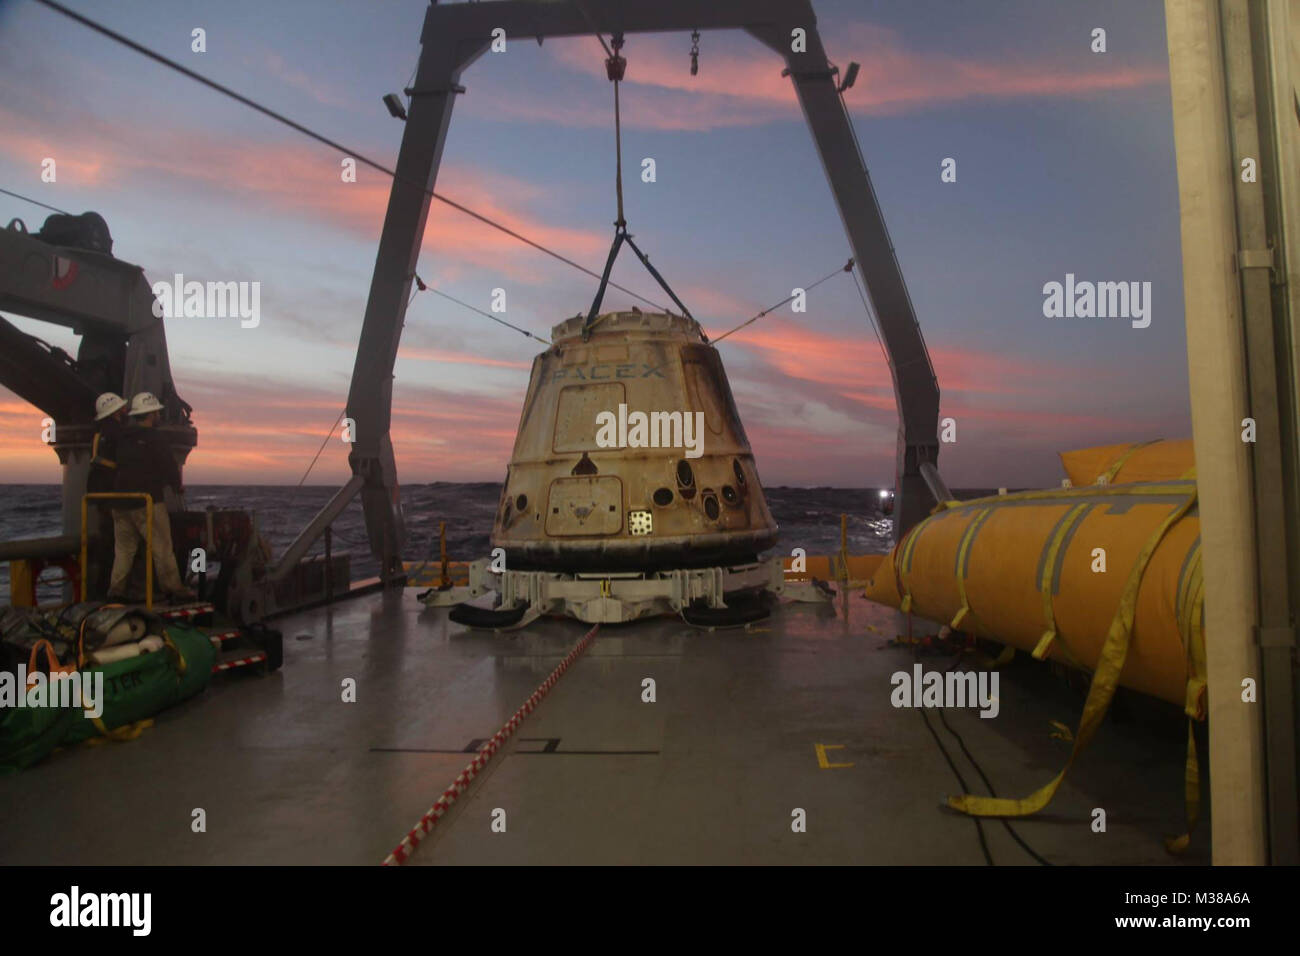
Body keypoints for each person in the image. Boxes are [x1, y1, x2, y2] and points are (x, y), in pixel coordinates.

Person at [107, 392, 196, 603]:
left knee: (124, 550)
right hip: (146, 502)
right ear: (151, 414)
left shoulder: (121, 438)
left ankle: (116, 591)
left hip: (119, 502)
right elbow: (168, 466)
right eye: (156, 411)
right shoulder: (155, 438)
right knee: (162, 547)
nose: (158, 415)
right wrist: (177, 486)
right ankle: (174, 588)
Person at [88, 392, 128, 596]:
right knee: (118, 545)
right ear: (115, 411)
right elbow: (126, 461)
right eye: (121, 407)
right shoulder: (117, 433)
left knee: (107, 541)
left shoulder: (99, 433)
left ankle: (99, 589)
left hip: (100, 494)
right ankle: (111, 590)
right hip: (114, 493)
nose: (125, 409)